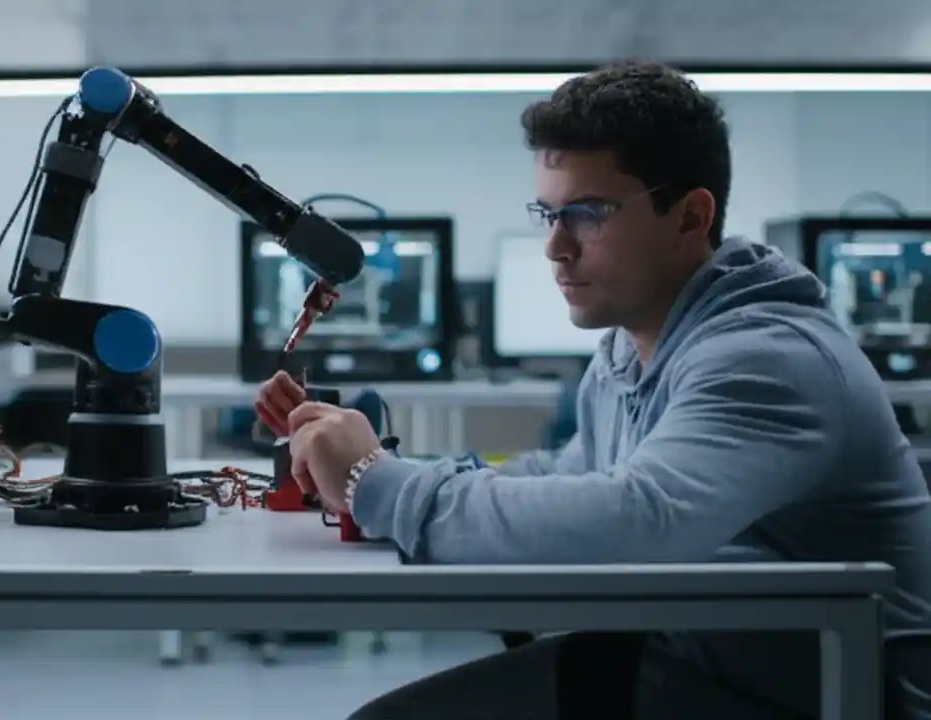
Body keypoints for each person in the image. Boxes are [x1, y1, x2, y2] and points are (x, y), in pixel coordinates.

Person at [255, 60, 931, 720]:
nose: (555, 247)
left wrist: (380, 484)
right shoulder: (631, 347)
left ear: (691, 218)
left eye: (587, 213)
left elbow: (635, 519)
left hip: (835, 691)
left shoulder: (770, 357)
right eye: (546, 213)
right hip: (711, 655)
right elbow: (571, 474)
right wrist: (376, 474)